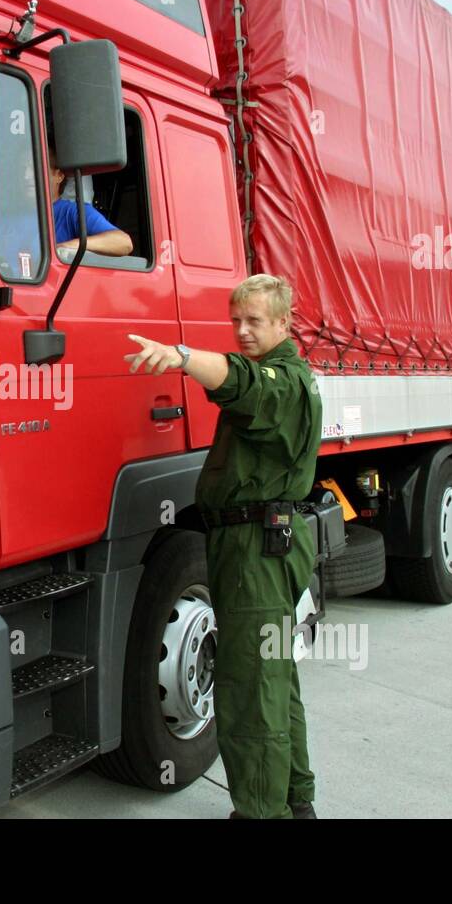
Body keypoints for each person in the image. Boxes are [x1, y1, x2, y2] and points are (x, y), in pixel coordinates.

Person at [123, 273, 323, 819]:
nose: (242, 330)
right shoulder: (288, 374)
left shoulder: (281, 382)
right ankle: (294, 801)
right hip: (264, 540)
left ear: (283, 323)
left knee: (249, 689)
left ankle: (261, 813)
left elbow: (239, 383)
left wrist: (181, 356)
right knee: (275, 678)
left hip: (257, 549)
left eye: (254, 321)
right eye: (236, 320)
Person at [48, 161, 133, 257]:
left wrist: (65, 247)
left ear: (59, 175)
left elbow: (123, 243)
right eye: (26, 169)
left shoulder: (72, 211)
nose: (27, 175)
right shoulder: (28, 216)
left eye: (35, 168)